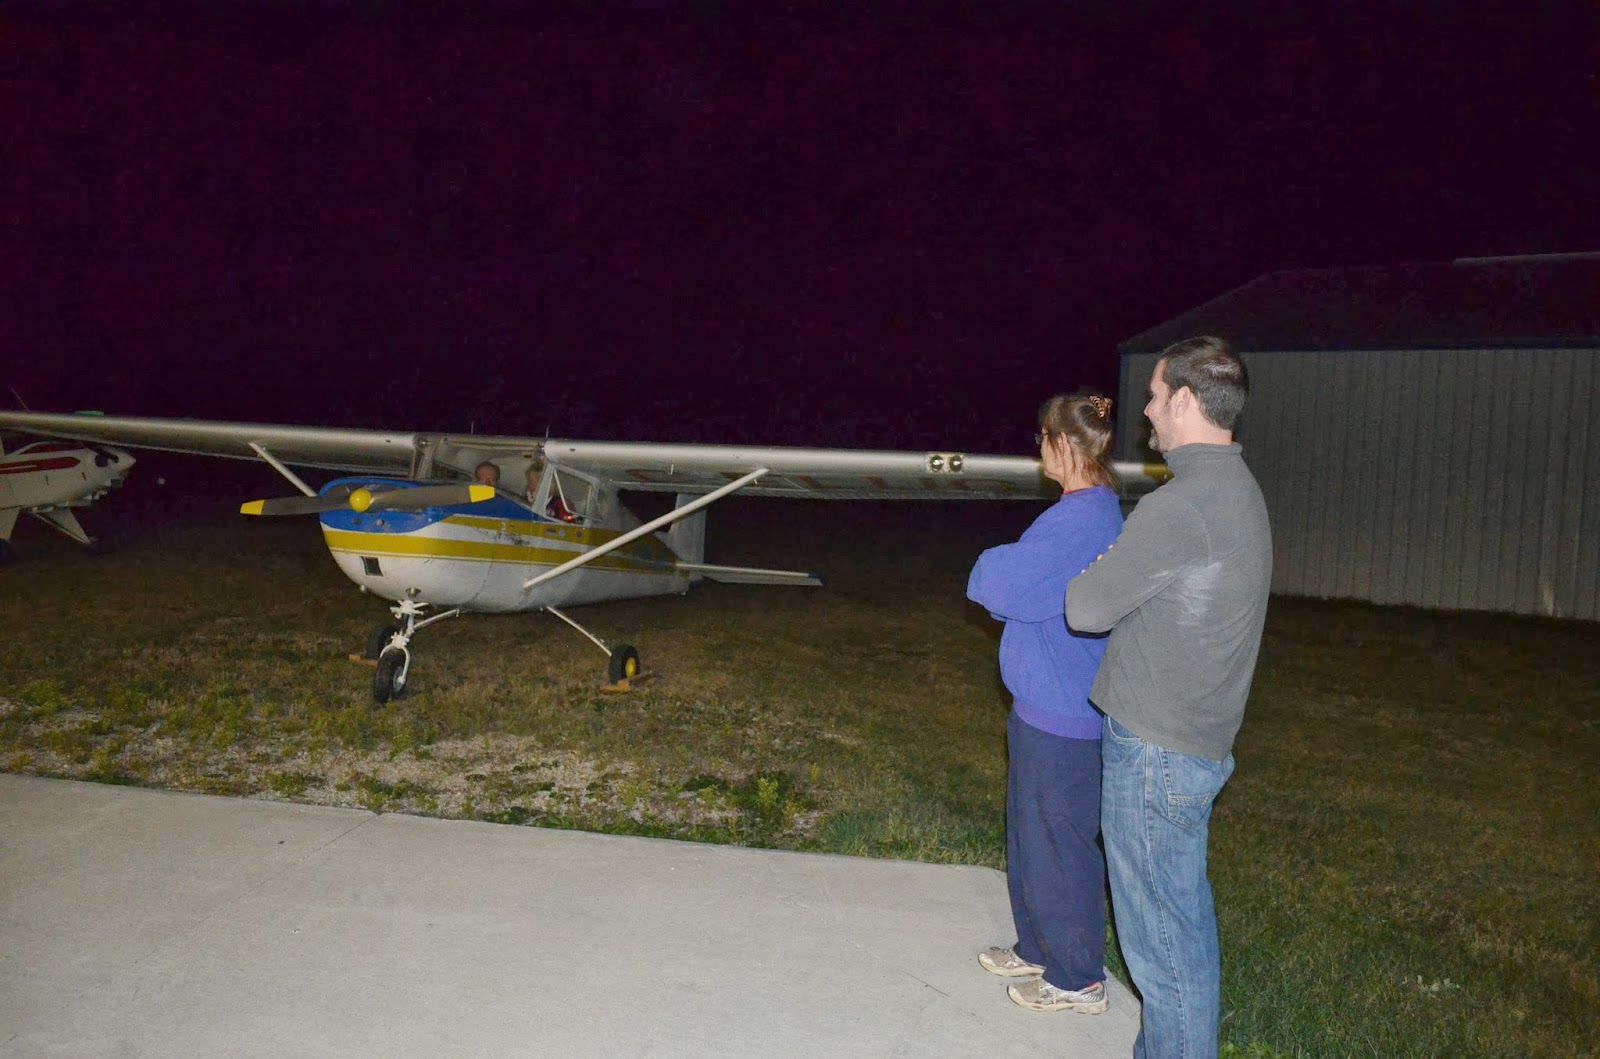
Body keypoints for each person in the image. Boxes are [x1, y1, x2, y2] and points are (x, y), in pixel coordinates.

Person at [1065, 336, 1272, 1059]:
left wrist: (1104, 569)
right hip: (1190, 747)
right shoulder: (1236, 491)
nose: (1147, 411)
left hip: (1156, 753)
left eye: (1154, 396)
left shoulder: (1180, 506)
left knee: (1165, 955)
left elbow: (1086, 604)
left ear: (1185, 401)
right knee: (1180, 935)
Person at [967, 393, 1124, 1015]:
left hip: (1066, 716)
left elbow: (992, 582)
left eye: (1042, 438)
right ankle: (1038, 946)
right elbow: (1024, 589)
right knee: (1031, 839)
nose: (1038, 449)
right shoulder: (1081, 512)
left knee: (1059, 843)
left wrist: (1000, 563)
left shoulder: (1082, 519)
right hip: (1042, 708)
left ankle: (1079, 977)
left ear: (1064, 443)